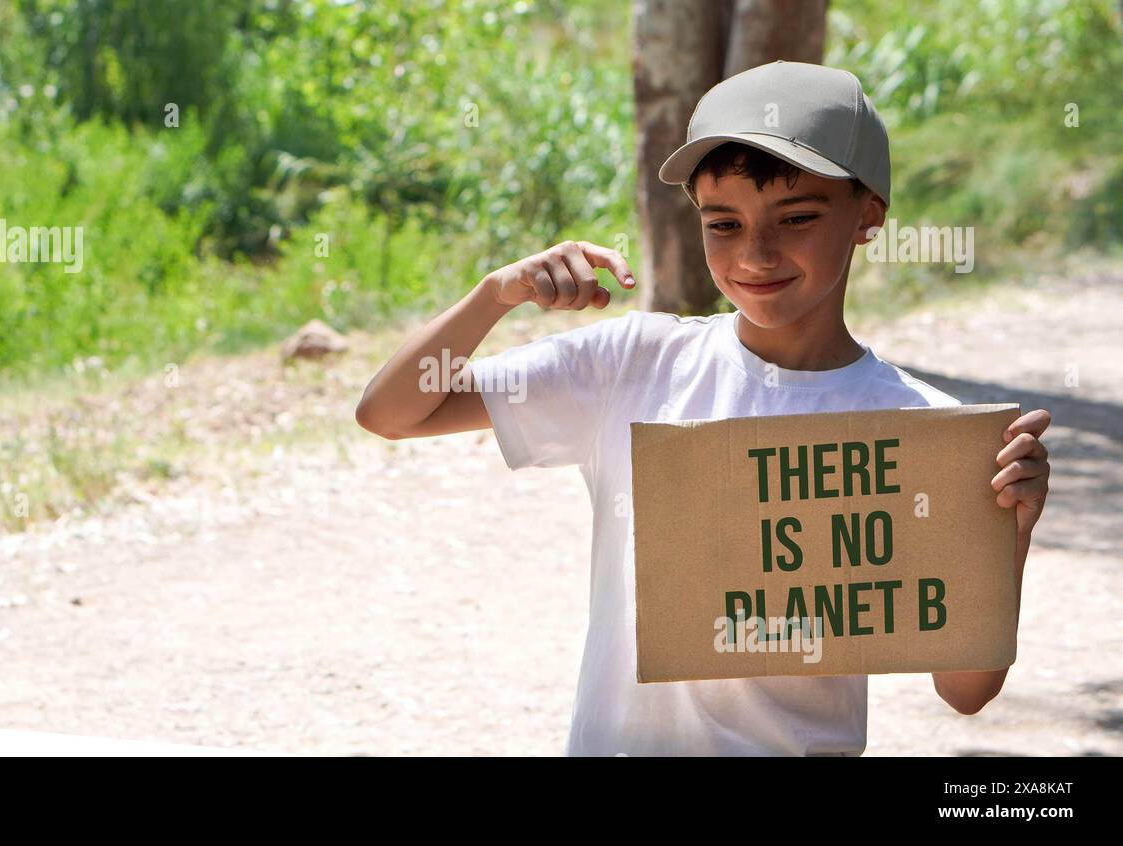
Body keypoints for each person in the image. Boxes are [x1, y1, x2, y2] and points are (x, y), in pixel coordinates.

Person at [355, 61, 1051, 756]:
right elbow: (392, 412)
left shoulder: (922, 429)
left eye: (797, 217)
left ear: (867, 215)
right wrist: (494, 295)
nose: (756, 253)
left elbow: (967, 689)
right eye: (723, 223)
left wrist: (1007, 531)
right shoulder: (630, 365)